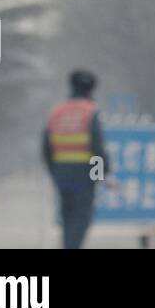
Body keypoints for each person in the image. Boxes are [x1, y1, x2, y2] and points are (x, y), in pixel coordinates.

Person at [42, 69, 107, 249]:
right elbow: (97, 148)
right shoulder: (90, 111)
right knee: (80, 219)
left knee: (68, 218)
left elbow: (46, 148)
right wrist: (101, 176)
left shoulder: (57, 111)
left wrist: (54, 173)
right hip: (84, 176)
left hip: (62, 175)